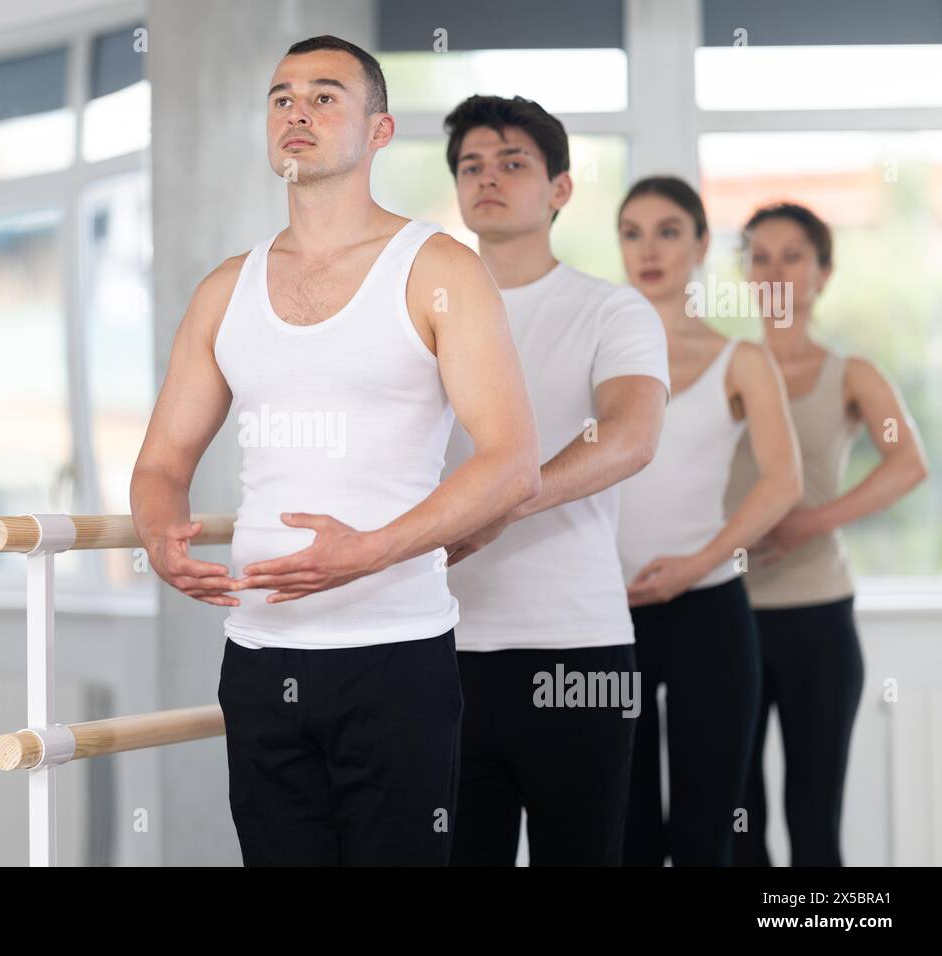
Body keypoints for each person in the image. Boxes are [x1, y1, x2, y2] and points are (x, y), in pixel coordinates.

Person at [129, 35, 540, 866]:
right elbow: (162, 460)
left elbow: (511, 460)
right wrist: (158, 533)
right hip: (258, 657)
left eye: (324, 97)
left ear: (379, 131)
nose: (297, 114)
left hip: (394, 656)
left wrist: (369, 553)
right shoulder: (225, 288)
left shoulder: (439, 271)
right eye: (282, 98)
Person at [438, 95, 669, 866]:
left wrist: (502, 502)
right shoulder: (421, 311)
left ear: (559, 189)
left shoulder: (612, 310)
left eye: (512, 163)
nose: (488, 178)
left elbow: (632, 436)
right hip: (442, 644)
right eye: (471, 166)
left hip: (580, 651)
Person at [727, 202, 929, 866]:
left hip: (817, 618)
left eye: (793, 257)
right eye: (760, 256)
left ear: (824, 272)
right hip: (727, 618)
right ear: (745, 272)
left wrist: (812, 521)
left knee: (813, 819)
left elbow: (909, 462)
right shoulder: (719, 368)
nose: (775, 271)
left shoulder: (852, 374)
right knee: (736, 821)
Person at [615, 176, 803, 866]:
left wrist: (699, 563)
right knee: (624, 839)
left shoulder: (741, 358)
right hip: (611, 619)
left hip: (709, 614)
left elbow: (785, 482)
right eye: (631, 232)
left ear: (700, 244)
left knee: (707, 839)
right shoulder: (599, 355)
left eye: (668, 231)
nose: (649, 248)